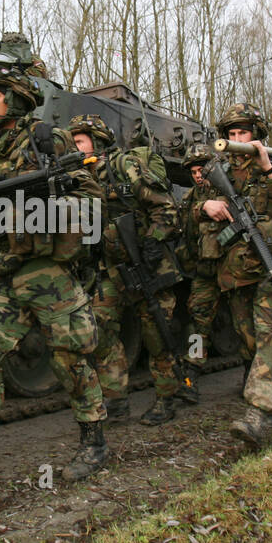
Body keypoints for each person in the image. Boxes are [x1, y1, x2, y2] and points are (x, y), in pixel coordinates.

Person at [0, 56, 109, 495]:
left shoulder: (50, 140)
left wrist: (38, 209)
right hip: (7, 274)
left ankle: (94, 442)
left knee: (70, 359)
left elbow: (94, 205)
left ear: (15, 98)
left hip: (49, 273)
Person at [69, 114, 192, 427]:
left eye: (79, 141)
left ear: (96, 142)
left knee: (157, 333)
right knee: (100, 327)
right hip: (112, 268)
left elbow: (165, 207)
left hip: (150, 266)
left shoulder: (124, 167)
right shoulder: (79, 179)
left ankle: (167, 397)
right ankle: (116, 400)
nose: (73, 147)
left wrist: (153, 242)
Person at [196, 104, 272, 446]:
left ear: (256, 135)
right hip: (235, 270)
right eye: (231, 134)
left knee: (271, 334)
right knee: (253, 342)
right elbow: (188, 209)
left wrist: (268, 170)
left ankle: (258, 414)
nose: (236, 140)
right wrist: (205, 206)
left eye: (242, 133)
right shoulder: (217, 171)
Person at [177, 142, 226, 380]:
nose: (198, 176)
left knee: (244, 323)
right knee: (197, 322)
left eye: (202, 171)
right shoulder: (188, 198)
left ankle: (252, 372)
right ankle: (192, 372)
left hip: (232, 270)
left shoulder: (228, 191)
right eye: (194, 172)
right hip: (204, 271)